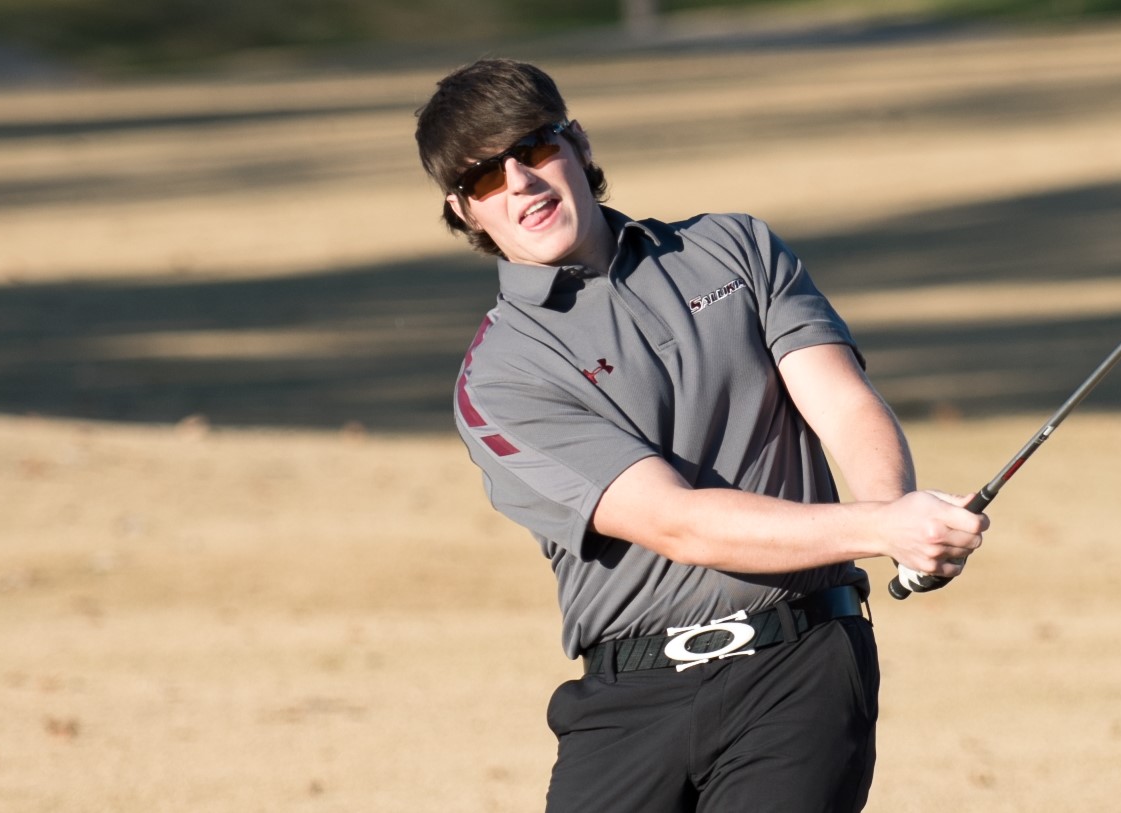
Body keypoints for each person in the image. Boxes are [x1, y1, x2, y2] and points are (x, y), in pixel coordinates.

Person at [414, 58, 988, 813]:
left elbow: (842, 403)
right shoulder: (499, 378)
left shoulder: (735, 249)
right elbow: (674, 521)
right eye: (485, 176)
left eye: (534, 148)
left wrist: (897, 515)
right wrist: (882, 526)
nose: (519, 181)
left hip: (801, 662)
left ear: (577, 144)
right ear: (464, 212)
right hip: (629, 700)